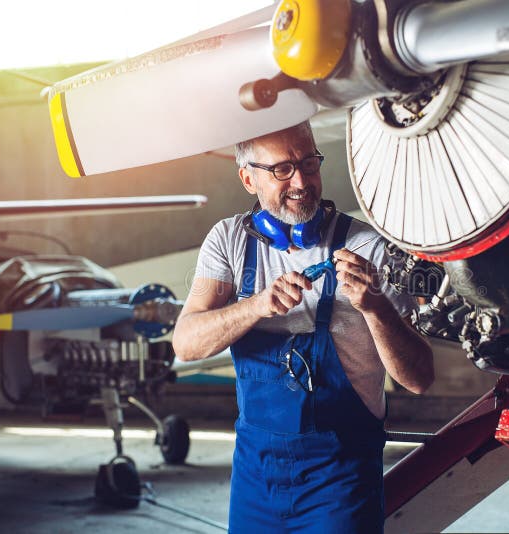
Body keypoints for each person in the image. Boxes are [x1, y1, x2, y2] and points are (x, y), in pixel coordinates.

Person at [173, 121, 434, 533]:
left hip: (340, 481)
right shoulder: (228, 242)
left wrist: (376, 308)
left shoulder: (368, 248)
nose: (301, 181)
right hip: (255, 479)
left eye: (309, 163)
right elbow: (186, 344)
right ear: (247, 178)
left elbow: (419, 379)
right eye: (282, 169)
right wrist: (256, 306)